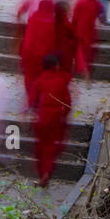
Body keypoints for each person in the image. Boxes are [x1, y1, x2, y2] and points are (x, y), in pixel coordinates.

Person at [31, 53, 72, 186]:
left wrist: (31, 112)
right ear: (56, 66)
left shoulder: (40, 80)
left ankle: (42, 173)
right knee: (51, 146)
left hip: (42, 117)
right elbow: (67, 102)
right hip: (56, 118)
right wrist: (64, 116)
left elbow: (32, 100)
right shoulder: (61, 80)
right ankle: (47, 171)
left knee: (40, 147)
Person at [19, 0, 56, 108]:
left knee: (29, 77)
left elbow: (28, 37)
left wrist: (23, 52)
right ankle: (38, 100)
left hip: (30, 54)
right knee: (41, 78)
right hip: (44, 57)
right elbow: (52, 41)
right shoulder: (52, 22)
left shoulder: (33, 17)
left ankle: (30, 98)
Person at [70, 0, 103, 82]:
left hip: (80, 30)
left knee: (80, 53)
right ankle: (87, 71)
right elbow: (100, 15)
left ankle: (84, 71)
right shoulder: (97, 4)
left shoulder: (80, 3)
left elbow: (74, 18)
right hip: (91, 31)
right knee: (88, 53)